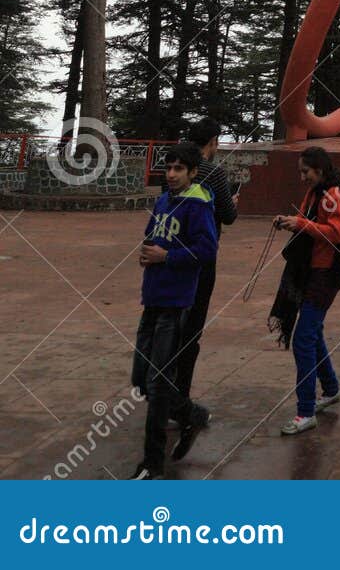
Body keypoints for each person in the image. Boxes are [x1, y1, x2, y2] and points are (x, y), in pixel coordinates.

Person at [131, 142, 218, 478]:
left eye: (178, 169)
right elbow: (152, 234)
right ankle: (191, 416)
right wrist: (149, 253)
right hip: (152, 297)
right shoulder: (164, 200)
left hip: (176, 302)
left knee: (156, 383)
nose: (170, 175)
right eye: (167, 168)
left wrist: (167, 257)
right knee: (140, 378)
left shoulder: (198, 206)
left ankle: (152, 464)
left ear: (192, 172)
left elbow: (207, 250)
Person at [269, 146, 340, 435]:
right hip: (311, 270)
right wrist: (292, 222)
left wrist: (301, 224)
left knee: (303, 338)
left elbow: (336, 232)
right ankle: (330, 388)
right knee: (312, 332)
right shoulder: (318, 192)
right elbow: (313, 224)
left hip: (324, 274)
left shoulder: (332, 196)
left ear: (319, 169)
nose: (302, 177)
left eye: (305, 171)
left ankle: (305, 411)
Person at [172, 118, 238, 414]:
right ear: (213, 141)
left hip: (171, 253)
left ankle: (163, 391)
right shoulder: (212, 172)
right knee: (192, 329)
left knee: (170, 325)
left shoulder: (175, 170)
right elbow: (228, 214)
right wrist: (233, 202)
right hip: (201, 257)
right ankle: (180, 399)